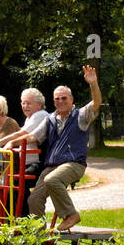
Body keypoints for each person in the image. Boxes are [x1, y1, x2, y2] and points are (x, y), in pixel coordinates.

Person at [28, 65, 103, 231]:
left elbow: (96, 103)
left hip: (74, 164)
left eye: (64, 98)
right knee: (34, 200)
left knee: (51, 179)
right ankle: (37, 240)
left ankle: (71, 214)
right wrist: (5, 142)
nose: (60, 101)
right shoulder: (50, 119)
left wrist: (93, 84)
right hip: (53, 165)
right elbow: (32, 136)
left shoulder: (80, 116)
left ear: (72, 100)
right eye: (57, 99)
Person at [0, 88, 51, 216]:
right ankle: (20, 219)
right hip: (29, 163)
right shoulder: (30, 118)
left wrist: (0, 143)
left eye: (28, 103)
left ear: (39, 104)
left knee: (15, 184)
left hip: (40, 164)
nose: (25, 106)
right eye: (23, 103)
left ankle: (21, 220)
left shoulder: (40, 115)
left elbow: (23, 134)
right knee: (12, 185)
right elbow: (22, 134)